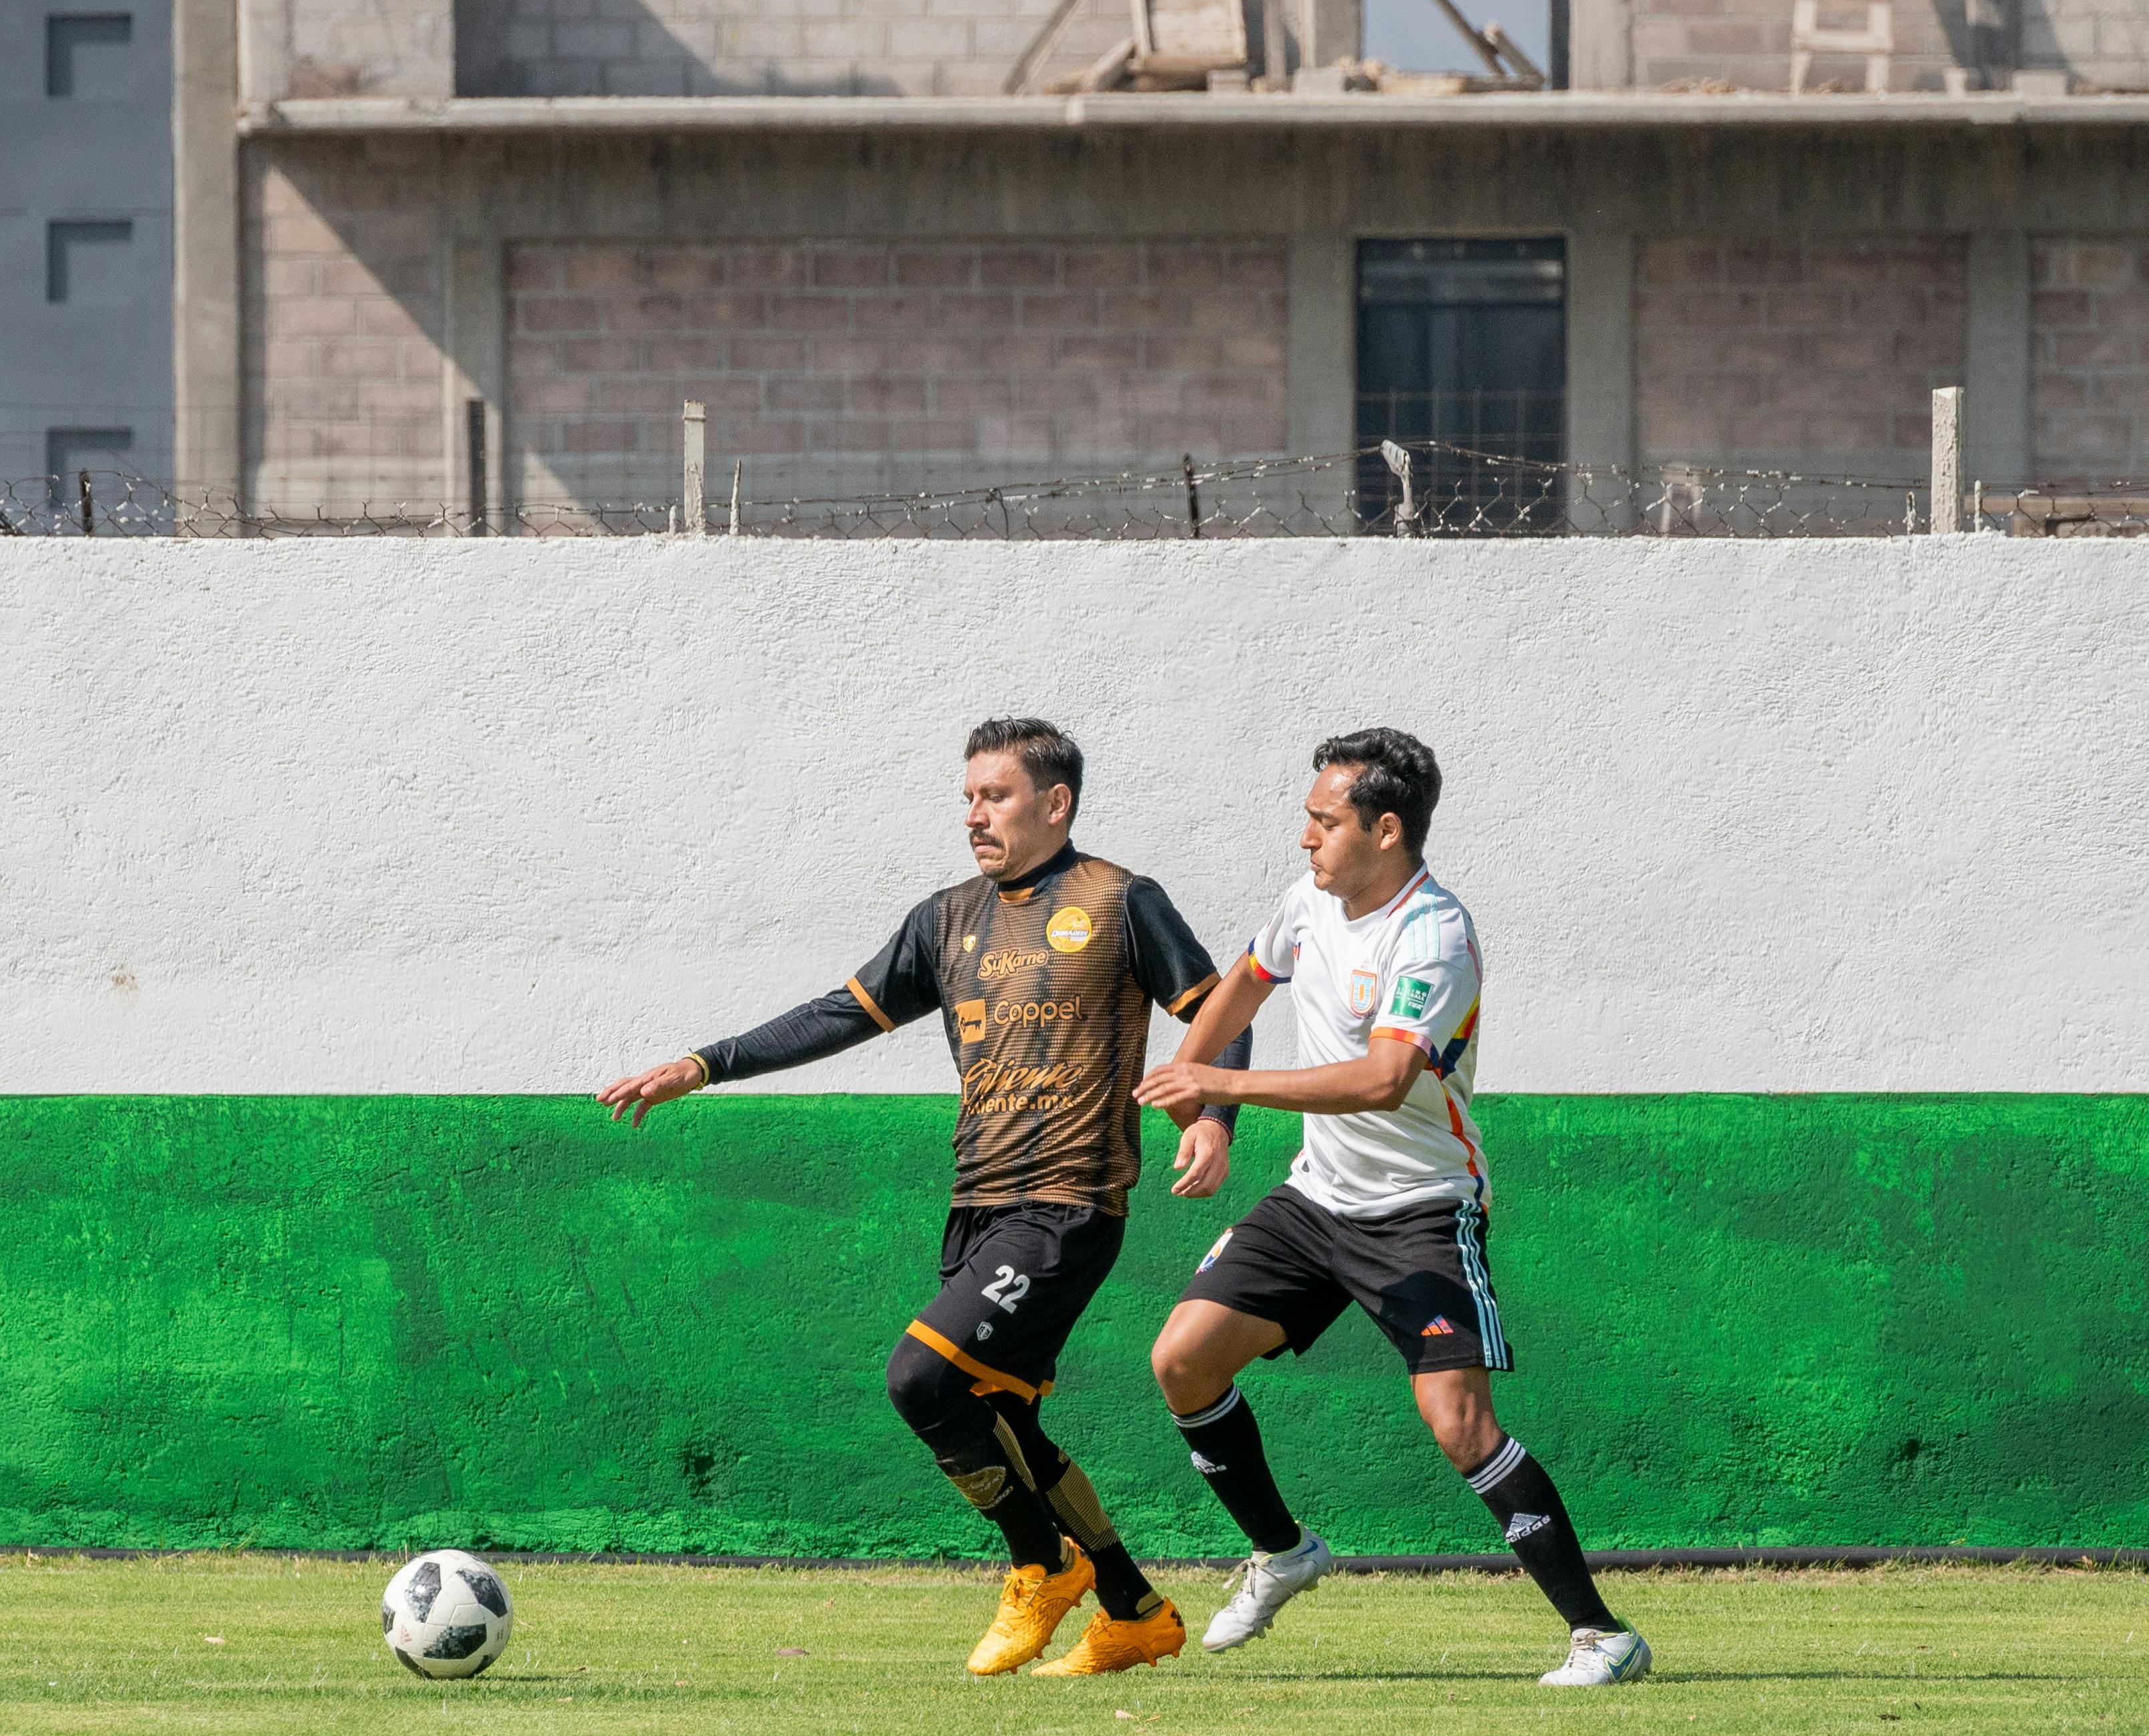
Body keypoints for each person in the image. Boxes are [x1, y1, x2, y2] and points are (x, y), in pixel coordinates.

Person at [597, 717, 1244, 1678]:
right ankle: (1131, 1605)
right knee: (1008, 1424)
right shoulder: (946, 919)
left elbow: (1216, 1008)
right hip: (978, 1204)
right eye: (969, 797)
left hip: (1068, 1206)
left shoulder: (1120, 900)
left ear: (1055, 802)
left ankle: (1041, 1562)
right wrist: (706, 1063)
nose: (976, 814)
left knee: (921, 1377)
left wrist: (1213, 1116)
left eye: (997, 795)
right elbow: (838, 1013)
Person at [1131, 729, 1649, 1687]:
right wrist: (1204, 1111)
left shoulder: (1436, 934)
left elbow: (1383, 1078)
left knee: (1461, 1425)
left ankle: (1600, 1634)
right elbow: (1242, 985)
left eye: (1323, 822)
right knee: (1181, 1359)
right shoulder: (1307, 905)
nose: (1306, 840)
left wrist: (1224, 1086)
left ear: (1385, 827)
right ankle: (1283, 1551)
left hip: (1420, 1209)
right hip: (1315, 1198)